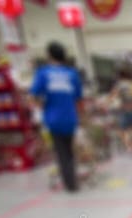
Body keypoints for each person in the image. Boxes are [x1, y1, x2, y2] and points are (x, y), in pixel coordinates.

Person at [30, 41, 83, 192]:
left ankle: (70, 184)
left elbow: (33, 95)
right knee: (70, 151)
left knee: (61, 152)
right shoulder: (72, 73)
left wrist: (42, 106)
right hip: (70, 117)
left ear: (49, 55)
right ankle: (73, 179)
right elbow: (79, 98)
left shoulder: (43, 73)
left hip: (53, 118)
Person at [111, 67, 132, 154]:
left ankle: (129, 147)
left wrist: (109, 101)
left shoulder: (119, 85)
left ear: (120, 76)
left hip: (125, 110)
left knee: (122, 130)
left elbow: (113, 96)